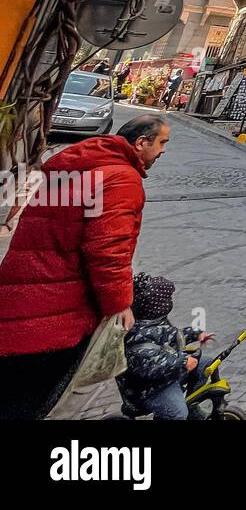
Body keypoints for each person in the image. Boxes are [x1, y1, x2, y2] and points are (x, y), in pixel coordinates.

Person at [0, 114, 169, 421]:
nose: (162, 151)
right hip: (58, 316)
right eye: (161, 143)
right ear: (142, 143)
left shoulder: (75, 167)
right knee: (26, 403)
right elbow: (108, 250)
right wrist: (120, 305)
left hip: (17, 299)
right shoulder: (121, 177)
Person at [116, 273, 214, 419]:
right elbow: (150, 363)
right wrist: (182, 362)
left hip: (165, 376)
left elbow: (171, 336)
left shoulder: (154, 322)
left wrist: (195, 334)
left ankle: (192, 405)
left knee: (205, 365)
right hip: (148, 389)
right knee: (178, 413)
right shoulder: (137, 334)